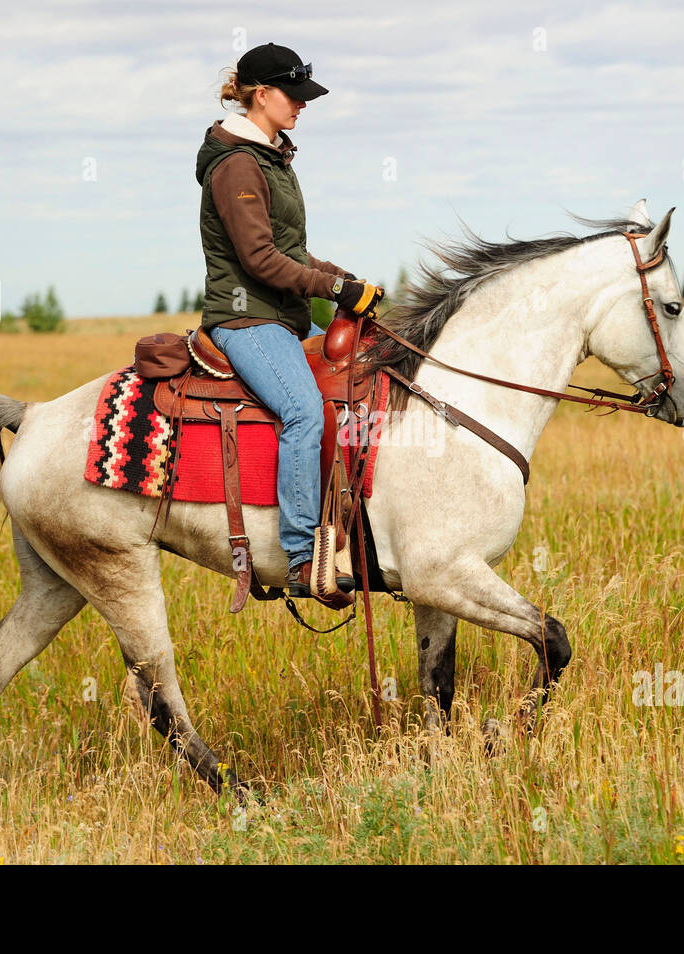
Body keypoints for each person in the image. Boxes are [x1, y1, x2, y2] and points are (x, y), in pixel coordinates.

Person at [196, 42, 382, 601]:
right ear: (260, 95)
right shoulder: (236, 165)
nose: (302, 106)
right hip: (247, 322)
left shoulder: (272, 156)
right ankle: (301, 557)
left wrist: (347, 281)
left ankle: (356, 528)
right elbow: (258, 260)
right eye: (293, 95)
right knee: (303, 411)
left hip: (284, 319)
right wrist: (333, 289)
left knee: (368, 380)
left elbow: (292, 252)